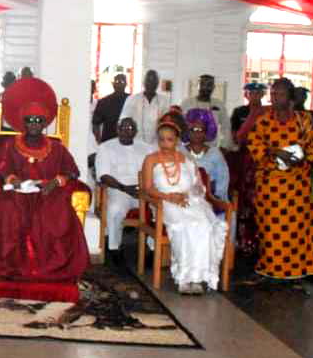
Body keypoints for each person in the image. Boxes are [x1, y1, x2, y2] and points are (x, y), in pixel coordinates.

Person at [0, 77, 89, 301]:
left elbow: (72, 171)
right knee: (6, 209)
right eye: (30, 120)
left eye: (38, 120)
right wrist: (13, 179)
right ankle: (8, 270)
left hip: (48, 192)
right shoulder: (10, 144)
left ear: (44, 123)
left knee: (57, 212)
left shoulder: (56, 147)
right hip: (17, 193)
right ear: (23, 123)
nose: (34, 124)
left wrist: (57, 181)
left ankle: (52, 270)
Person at [246, 77, 313, 283]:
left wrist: (299, 160)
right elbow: (254, 147)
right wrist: (274, 153)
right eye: (272, 93)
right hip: (270, 187)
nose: (273, 97)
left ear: (289, 97)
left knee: (296, 231)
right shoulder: (263, 121)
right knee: (271, 231)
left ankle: (295, 273)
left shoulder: (304, 121)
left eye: (278, 94)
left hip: (297, 188)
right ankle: (271, 270)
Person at [141, 112, 228, 295]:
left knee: (203, 225)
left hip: (190, 202)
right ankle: (183, 277)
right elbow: (147, 188)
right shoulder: (151, 160)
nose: (165, 144)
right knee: (186, 226)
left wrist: (192, 193)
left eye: (170, 140)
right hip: (165, 203)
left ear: (177, 140)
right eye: (162, 140)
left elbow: (197, 184)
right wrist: (169, 197)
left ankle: (197, 278)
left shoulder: (186, 160)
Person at [96, 117, 153, 267]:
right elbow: (104, 175)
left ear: (135, 131)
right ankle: (114, 248)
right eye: (123, 128)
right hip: (119, 189)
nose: (126, 132)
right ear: (117, 129)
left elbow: (155, 170)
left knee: (160, 208)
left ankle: (152, 250)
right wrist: (124, 188)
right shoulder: (106, 147)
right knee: (115, 209)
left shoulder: (146, 148)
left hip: (143, 189)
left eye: (130, 128)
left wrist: (145, 188)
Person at [230, 82, 267, 257]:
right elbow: (236, 138)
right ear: (246, 94)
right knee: (245, 200)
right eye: (251, 93)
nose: (255, 96)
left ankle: (262, 241)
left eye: (259, 92)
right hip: (246, 160)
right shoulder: (240, 112)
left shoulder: (269, 111)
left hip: (265, 161)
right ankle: (243, 241)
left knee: (262, 201)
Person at [182, 108, 229, 201]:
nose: (197, 133)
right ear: (187, 130)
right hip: (184, 198)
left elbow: (223, 180)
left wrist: (213, 199)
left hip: (211, 200)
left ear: (207, 132)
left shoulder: (215, 154)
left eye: (201, 130)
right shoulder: (180, 152)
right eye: (193, 129)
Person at [181, 74, 232, 150]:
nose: (205, 88)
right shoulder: (187, 103)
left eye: (209, 85)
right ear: (198, 85)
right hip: (189, 147)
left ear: (213, 87)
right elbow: (180, 125)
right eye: (202, 84)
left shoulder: (219, 104)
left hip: (211, 148)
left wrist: (223, 146)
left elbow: (226, 127)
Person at [121, 69, 168, 146]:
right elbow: (124, 120)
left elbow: (167, 123)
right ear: (144, 82)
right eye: (148, 80)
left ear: (157, 83)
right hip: (136, 144)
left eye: (153, 81)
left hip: (157, 145)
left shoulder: (164, 101)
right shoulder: (132, 99)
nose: (151, 84)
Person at [92, 73, 129, 143]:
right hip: (108, 141)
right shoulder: (104, 102)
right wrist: (98, 141)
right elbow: (95, 123)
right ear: (113, 84)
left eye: (122, 82)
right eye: (117, 82)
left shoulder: (132, 100)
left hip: (127, 142)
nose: (119, 84)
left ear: (126, 84)